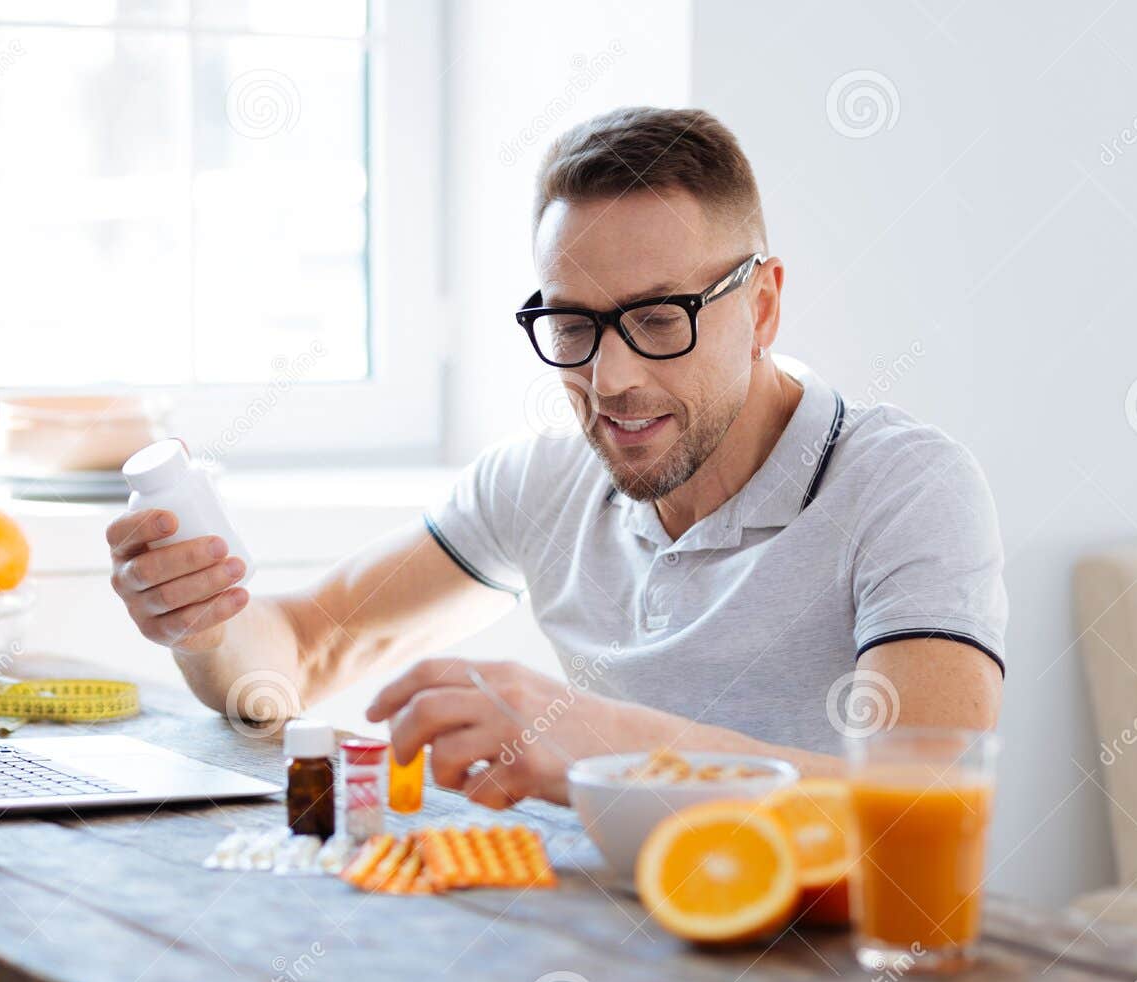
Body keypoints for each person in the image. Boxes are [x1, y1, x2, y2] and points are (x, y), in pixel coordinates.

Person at [106, 106, 1006, 810]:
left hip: (828, 971)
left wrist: (598, 738)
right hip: (604, 947)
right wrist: (205, 622)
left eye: (660, 318)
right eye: (573, 324)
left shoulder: (903, 487)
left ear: (762, 307)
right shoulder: (542, 480)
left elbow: (926, 799)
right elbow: (308, 646)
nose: (611, 380)